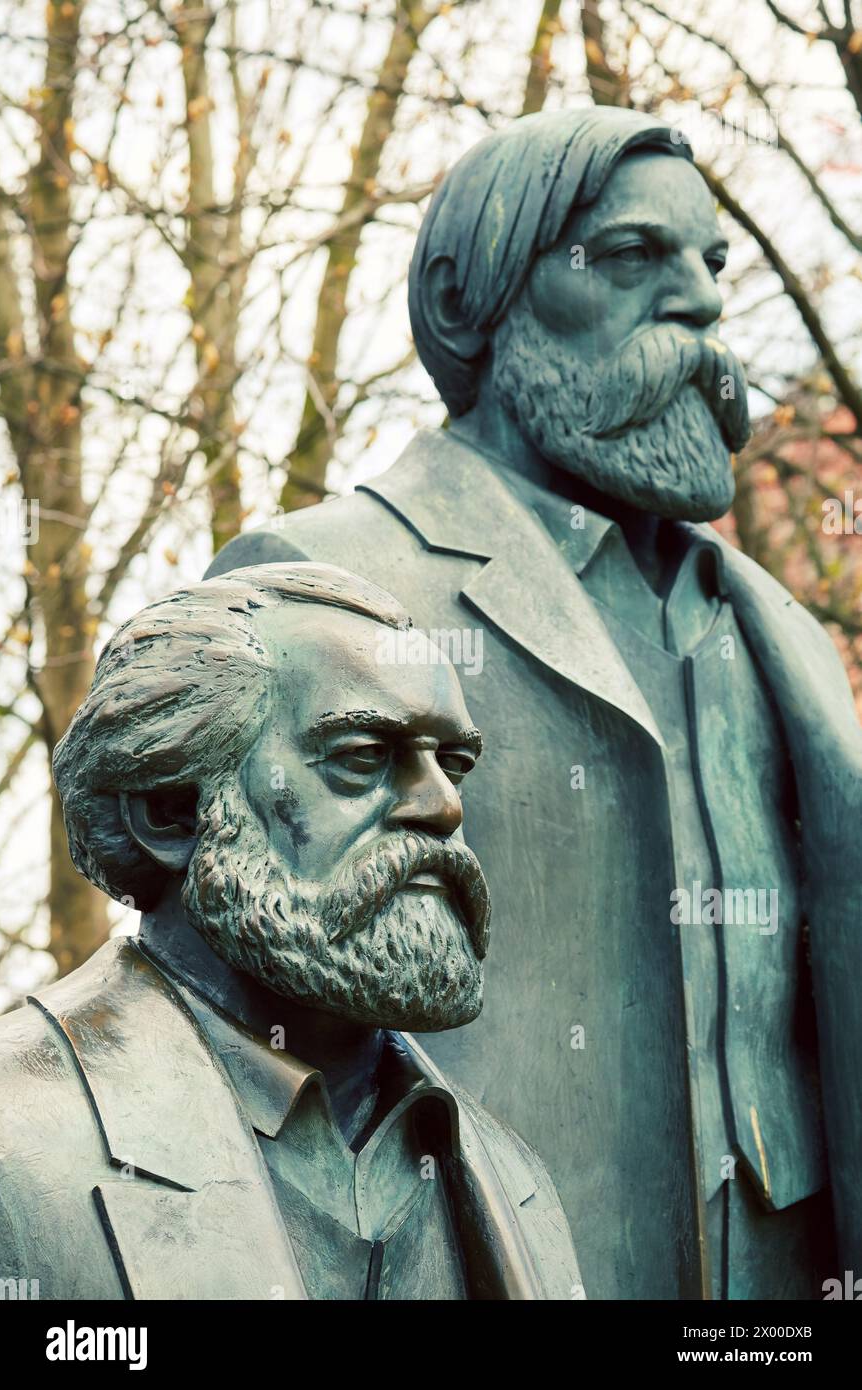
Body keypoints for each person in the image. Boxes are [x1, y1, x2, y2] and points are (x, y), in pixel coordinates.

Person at [206, 108, 862, 1298]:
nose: (699, 305)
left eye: (709, 265)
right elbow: (231, 1032)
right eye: (628, 259)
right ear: (469, 302)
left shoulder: (777, 635)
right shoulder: (320, 587)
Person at [0, 563, 581, 1300]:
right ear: (173, 811)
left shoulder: (517, 1186)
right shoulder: (11, 1137)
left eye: (454, 765)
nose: (442, 806)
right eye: (363, 760)